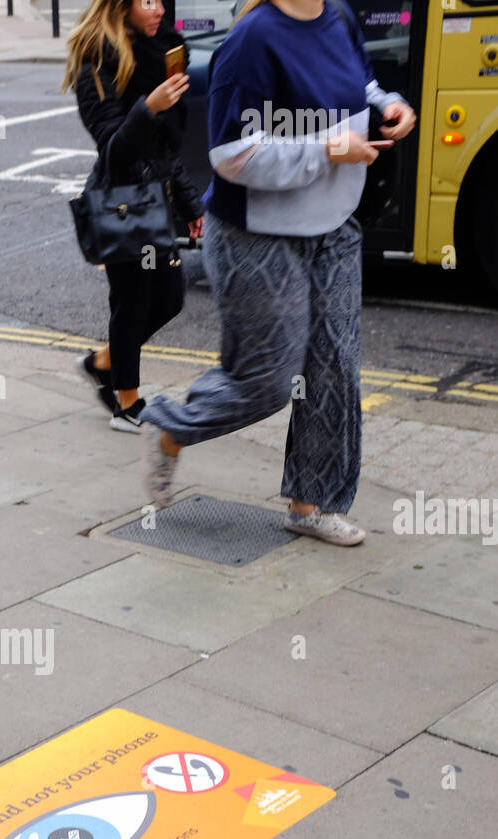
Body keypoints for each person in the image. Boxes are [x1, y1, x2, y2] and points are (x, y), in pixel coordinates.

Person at [139, 0, 416, 544]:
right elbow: (232, 155)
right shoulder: (252, 41)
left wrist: (390, 105)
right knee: (267, 379)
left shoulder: (338, 17)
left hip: (332, 225)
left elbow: (361, 84)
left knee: (334, 369)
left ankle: (310, 505)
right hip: (255, 234)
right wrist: (327, 150)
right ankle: (169, 426)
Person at [64, 0, 203, 432]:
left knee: (170, 298)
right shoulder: (96, 58)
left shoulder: (158, 52)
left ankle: (104, 361)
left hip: (156, 200)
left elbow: (164, 147)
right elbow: (113, 148)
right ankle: (127, 403)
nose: (159, 8)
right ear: (121, 6)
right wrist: (151, 106)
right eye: (147, 1)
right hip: (120, 203)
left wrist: (188, 203)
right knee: (132, 302)